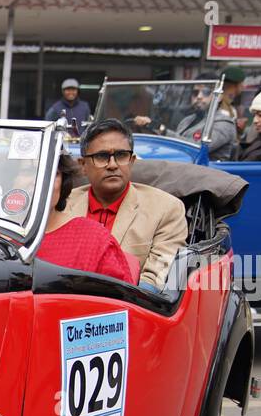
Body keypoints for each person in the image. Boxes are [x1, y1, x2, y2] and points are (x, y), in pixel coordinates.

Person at [64, 118, 187, 290]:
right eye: (102, 156)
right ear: (83, 165)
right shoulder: (60, 205)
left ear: (132, 160)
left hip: (130, 308)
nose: (113, 165)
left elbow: (156, 279)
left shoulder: (166, 209)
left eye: (121, 156)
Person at [37, 153, 137, 284]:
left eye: (51, 172)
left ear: (63, 182)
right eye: (28, 171)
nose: (39, 182)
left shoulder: (93, 238)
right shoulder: (1, 237)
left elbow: (121, 301)